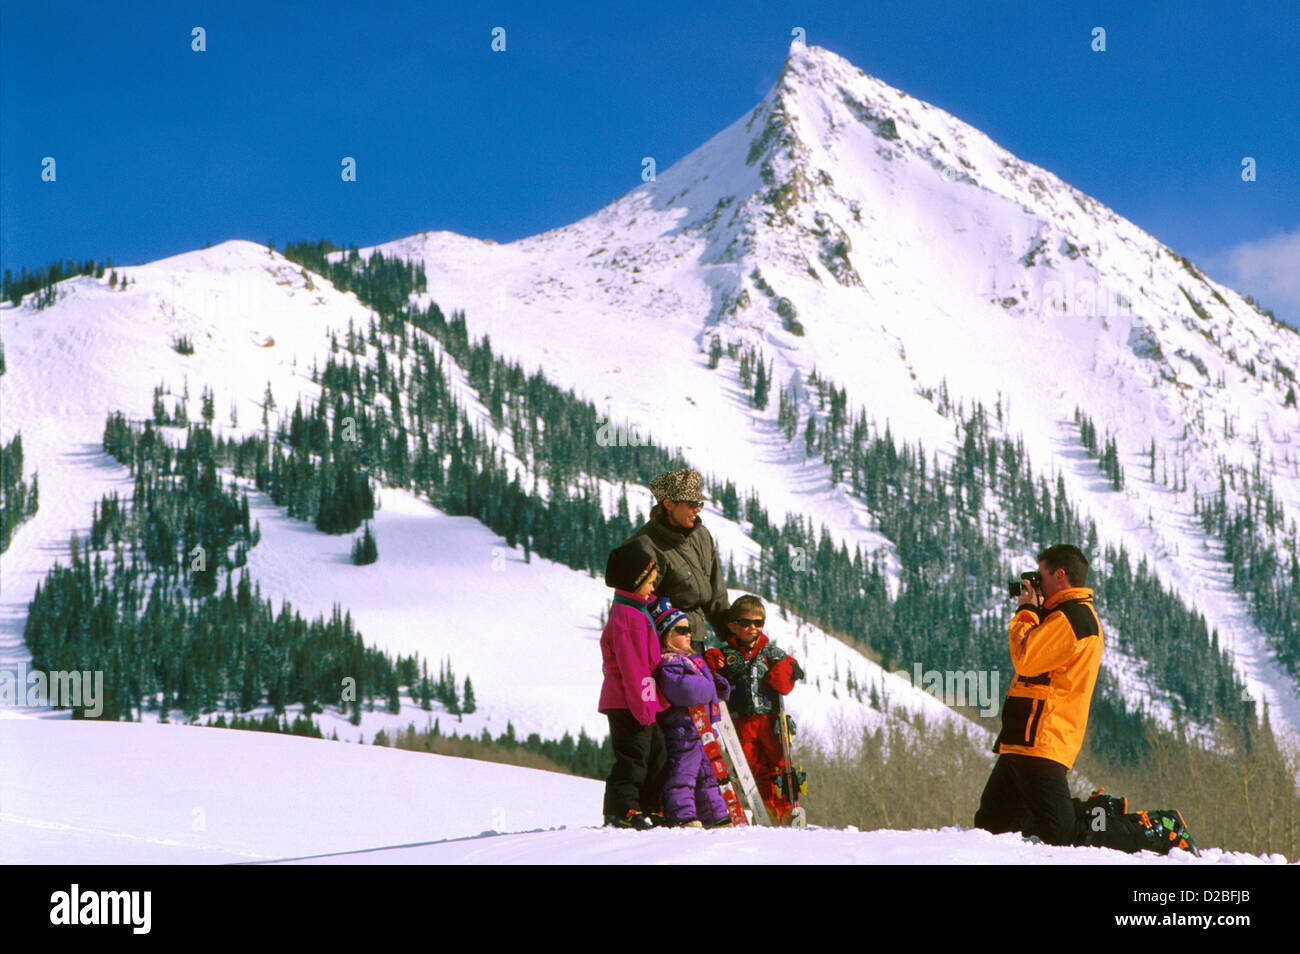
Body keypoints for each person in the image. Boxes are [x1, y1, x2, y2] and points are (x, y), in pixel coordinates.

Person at [973, 544, 1194, 854]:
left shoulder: (1073, 618)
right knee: (993, 825)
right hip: (1022, 736)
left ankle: (1157, 829)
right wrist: (1035, 611)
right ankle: (1098, 811)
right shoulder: (1059, 616)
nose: (1037, 584)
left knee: (1061, 832)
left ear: (1060, 575)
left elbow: (1026, 659)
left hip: (1043, 737)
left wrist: (1026, 611)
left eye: (1041, 576)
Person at [705, 594, 804, 825]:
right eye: (746, 623)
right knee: (752, 767)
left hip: (770, 719)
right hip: (740, 720)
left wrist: (785, 670)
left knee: (780, 765)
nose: (753, 628)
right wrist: (713, 664)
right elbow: (707, 669)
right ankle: (766, 809)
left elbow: (791, 669)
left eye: (758, 623)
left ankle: (787, 810)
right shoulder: (724, 655)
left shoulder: (772, 653)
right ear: (733, 626)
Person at [598, 538, 669, 829]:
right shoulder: (629, 619)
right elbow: (636, 669)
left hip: (640, 701)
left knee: (656, 753)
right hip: (628, 702)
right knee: (633, 757)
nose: (653, 588)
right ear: (635, 579)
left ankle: (650, 806)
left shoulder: (636, 611)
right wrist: (645, 707)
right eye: (650, 582)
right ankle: (622, 808)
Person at [628, 467, 731, 655]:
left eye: (699, 503)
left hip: (696, 641)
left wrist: (735, 639)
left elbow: (717, 597)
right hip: (662, 646)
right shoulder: (645, 545)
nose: (698, 509)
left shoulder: (702, 537)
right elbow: (632, 608)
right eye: (692, 503)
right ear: (668, 503)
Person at [650, 598, 734, 828]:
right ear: (666, 634)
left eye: (690, 629)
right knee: (683, 773)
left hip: (702, 727)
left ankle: (715, 812)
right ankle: (682, 813)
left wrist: (717, 684)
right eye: (682, 630)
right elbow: (684, 690)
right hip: (683, 727)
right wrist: (709, 687)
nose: (689, 634)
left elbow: (701, 685)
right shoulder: (669, 661)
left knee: (708, 772)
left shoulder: (691, 658)